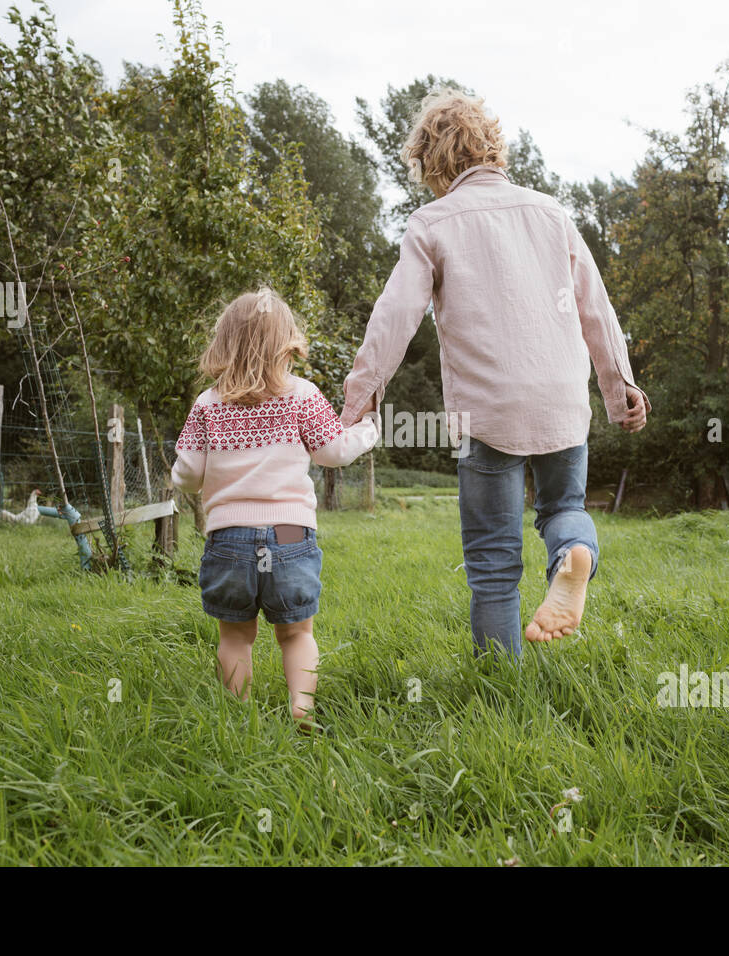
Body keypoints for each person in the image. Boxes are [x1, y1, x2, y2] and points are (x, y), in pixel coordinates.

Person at [341, 88, 649, 657]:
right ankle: (573, 555)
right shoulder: (552, 213)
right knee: (564, 508)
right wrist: (619, 388)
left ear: (430, 161)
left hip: (488, 413)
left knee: (491, 556)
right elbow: (596, 309)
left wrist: (362, 395)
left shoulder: (431, 223)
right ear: (492, 146)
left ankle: (499, 686)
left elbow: (394, 318)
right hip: (561, 401)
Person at [172, 288, 378, 723]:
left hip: (229, 538)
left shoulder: (207, 404)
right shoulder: (302, 395)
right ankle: (301, 707)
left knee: (235, 635)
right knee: (296, 631)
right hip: (289, 535)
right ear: (287, 344)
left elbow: (188, 474)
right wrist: (368, 430)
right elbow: (333, 452)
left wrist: (187, 476)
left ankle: (238, 714)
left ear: (223, 343)